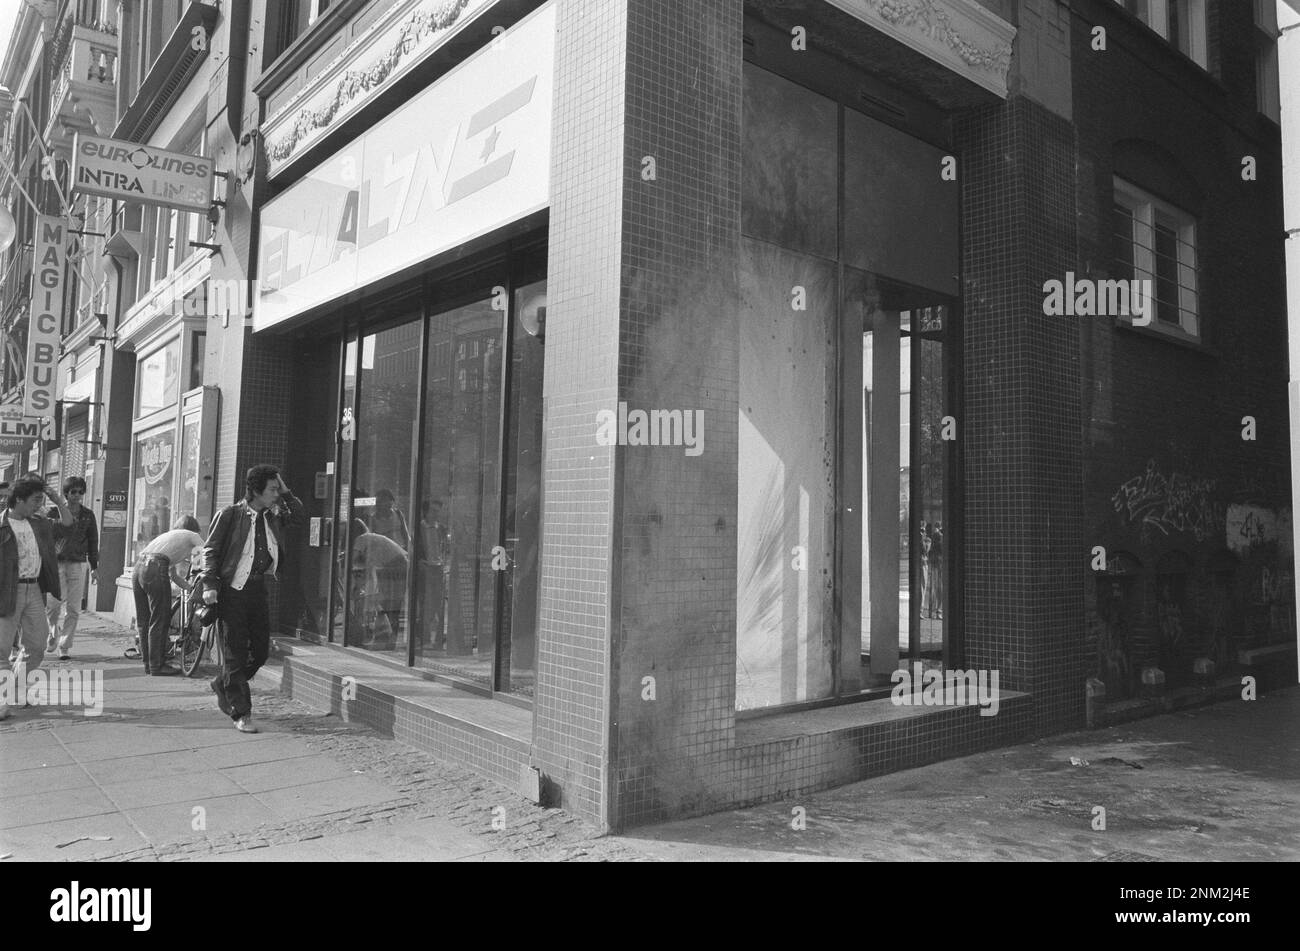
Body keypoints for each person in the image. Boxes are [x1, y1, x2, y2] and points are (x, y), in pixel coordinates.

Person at [202, 465, 305, 733]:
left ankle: (224, 682)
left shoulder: (274, 516)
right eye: (272, 489)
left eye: (277, 489)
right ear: (256, 490)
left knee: (260, 651)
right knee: (235, 652)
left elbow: (300, 517)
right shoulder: (230, 515)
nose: (276, 494)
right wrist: (209, 585)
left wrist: (286, 490)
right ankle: (241, 713)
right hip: (232, 591)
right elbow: (210, 550)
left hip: (257, 589)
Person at [0, 478, 72, 719]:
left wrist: (56, 499)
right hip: (6, 591)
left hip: (34, 589)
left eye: (41, 500)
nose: (38, 505)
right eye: (35, 500)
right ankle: (3, 700)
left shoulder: (39, 523)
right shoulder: (1, 524)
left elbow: (68, 523)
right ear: (19, 499)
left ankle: (16, 689)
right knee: (1, 650)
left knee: (37, 645)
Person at [131, 515, 205, 677]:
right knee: (160, 619)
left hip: (138, 568)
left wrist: (190, 588)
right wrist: (204, 583)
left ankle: (149, 665)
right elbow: (203, 560)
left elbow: (174, 576)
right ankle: (158, 665)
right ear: (195, 529)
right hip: (156, 567)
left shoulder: (167, 539)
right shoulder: (193, 536)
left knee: (144, 621)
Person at [45, 476, 100, 660]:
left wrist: (94, 566)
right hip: (56, 562)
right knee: (53, 605)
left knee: (74, 608)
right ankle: (53, 632)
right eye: (73, 492)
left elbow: (93, 541)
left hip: (78, 563)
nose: (77, 495)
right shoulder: (53, 512)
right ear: (66, 493)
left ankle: (65, 646)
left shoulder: (88, 515)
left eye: (80, 492)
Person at [417, 499, 451, 649]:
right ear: (426, 512)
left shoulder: (441, 529)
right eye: (433, 511)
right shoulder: (419, 528)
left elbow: (446, 548)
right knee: (426, 604)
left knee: (440, 604)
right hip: (426, 567)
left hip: (439, 568)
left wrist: (445, 565)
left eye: (438, 511)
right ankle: (424, 638)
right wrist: (420, 562)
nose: (436, 514)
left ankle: (438, 639)